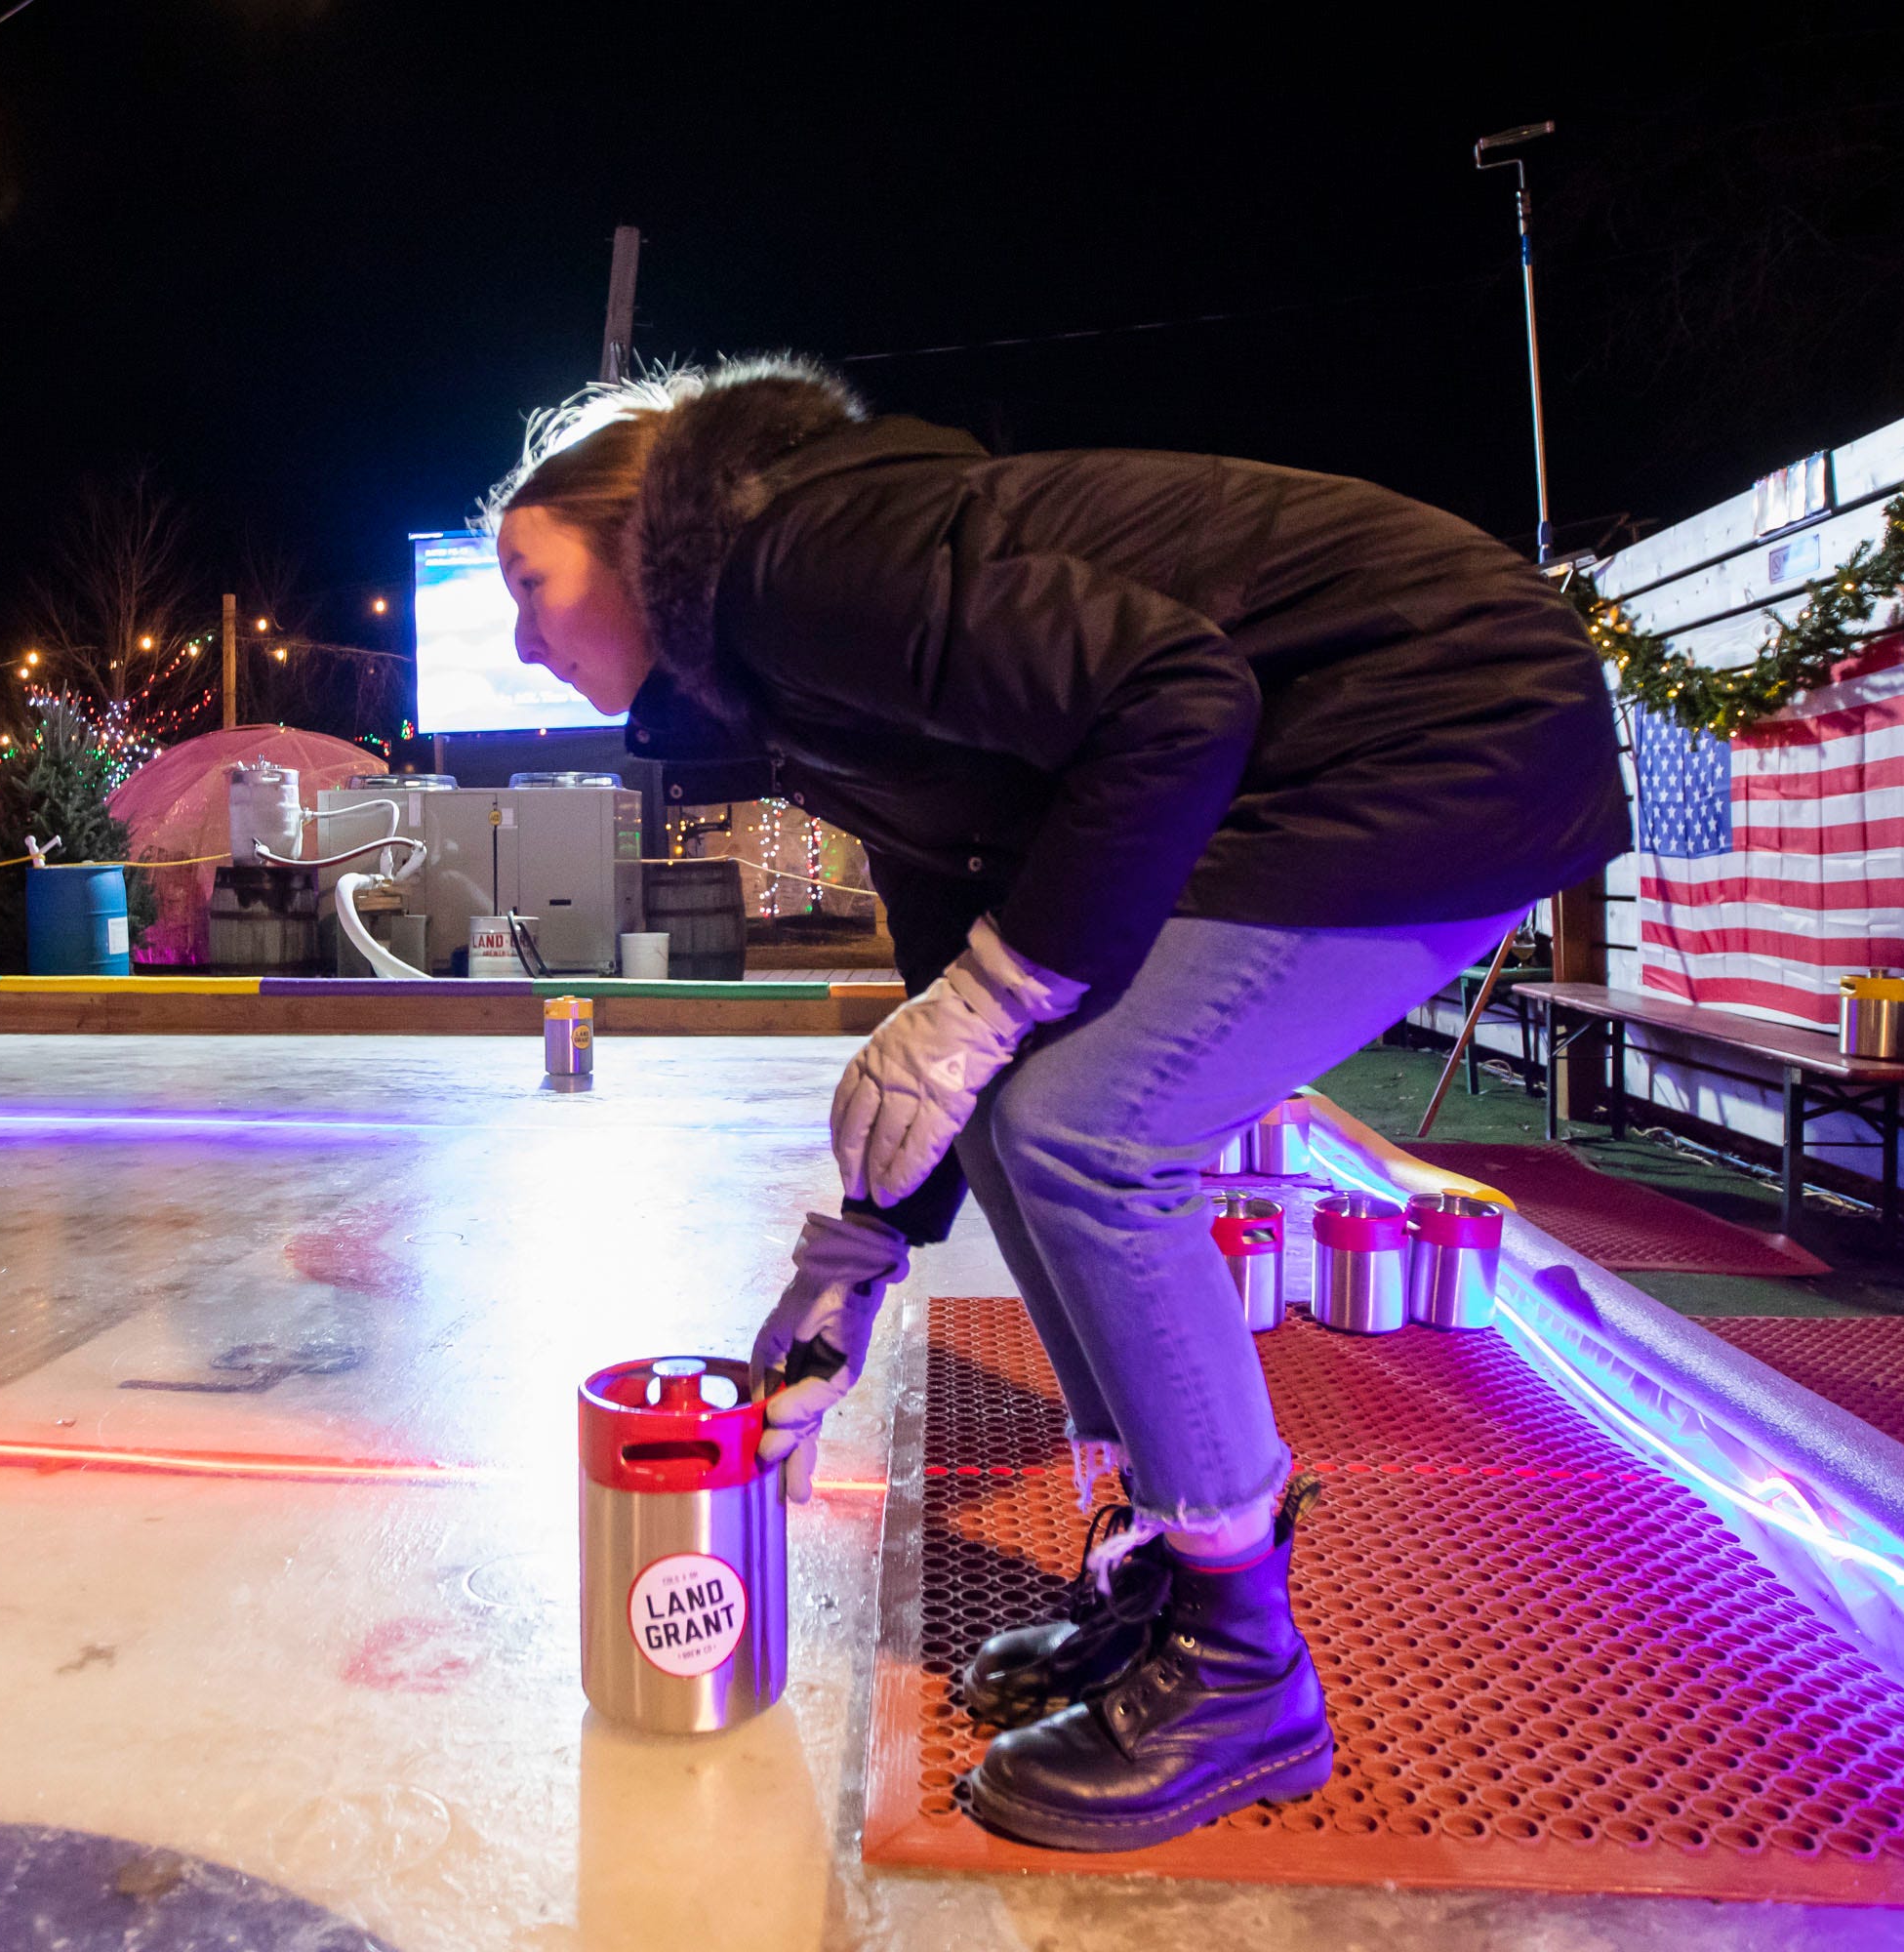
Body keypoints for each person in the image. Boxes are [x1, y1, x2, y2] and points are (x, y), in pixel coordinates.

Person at [489, 357, 1627, 1852]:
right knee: (1023, 1094)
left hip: (1442, 731)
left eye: (528, 578)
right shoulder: (782, 653)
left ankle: (1244, 1670)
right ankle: (1170, 1559)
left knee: (1086, 1125)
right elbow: (947, 952)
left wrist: (994, 995)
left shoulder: (791, 564)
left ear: (627, 529)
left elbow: (1176, 693)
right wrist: (865, 1257)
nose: (516, 642)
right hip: (1350, 752)